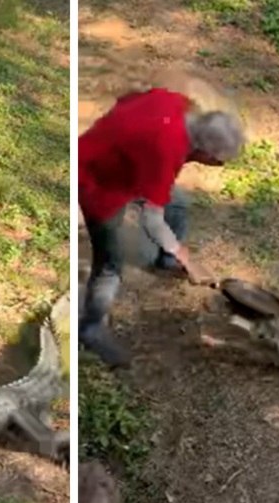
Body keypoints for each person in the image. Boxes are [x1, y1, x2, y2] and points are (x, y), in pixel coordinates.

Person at [78, 87, 246, 367]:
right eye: (218, 161)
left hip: (126, 159)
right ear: (204, 150)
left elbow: (127, 98)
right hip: (97, 183)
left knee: (177, 203)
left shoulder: (175, 101)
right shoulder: (167, 151)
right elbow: (152, 221)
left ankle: (164, 260)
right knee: (109, 268)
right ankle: (91, 329)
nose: (216, 166)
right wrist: (186, 257)